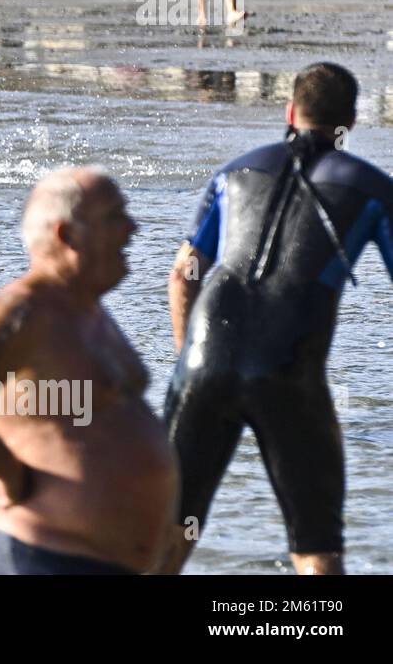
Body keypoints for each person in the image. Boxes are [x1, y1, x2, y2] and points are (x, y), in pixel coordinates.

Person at [160, 63, 393, 575]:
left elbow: (183, 275)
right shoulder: (374, 189)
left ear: (289, 112)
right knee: (317, 546)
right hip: (288, 373)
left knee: (168, 532)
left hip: (203, 362)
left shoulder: (235, 171)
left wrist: (190, 367)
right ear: (351, 121)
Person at [0, 167, 177, 575]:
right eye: (114, 216)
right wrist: (9, 473)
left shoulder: (88, 310)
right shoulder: (26, 308)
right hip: (44, 557)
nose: (132, 228)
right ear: (66, 235)